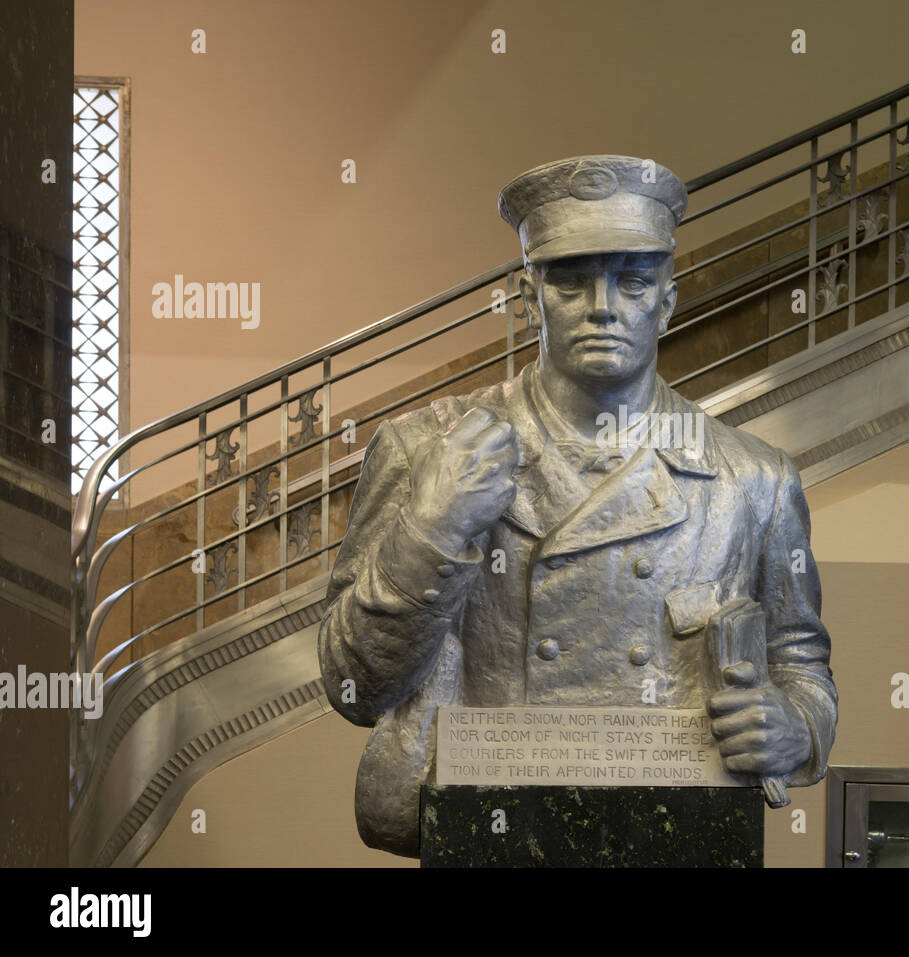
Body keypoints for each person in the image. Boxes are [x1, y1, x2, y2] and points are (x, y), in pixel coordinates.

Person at [319, 155, 837, 856]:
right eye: (569, 280)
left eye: (632, 279)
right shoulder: (425, 453)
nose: (602, 305)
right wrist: (431, 531)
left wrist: (797, 727)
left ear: (667, 301)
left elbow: (799, 660)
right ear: (529, 300)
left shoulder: (753, 479)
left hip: (675, 840)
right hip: (491, 834)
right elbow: (354, 688)